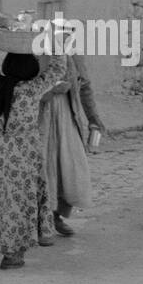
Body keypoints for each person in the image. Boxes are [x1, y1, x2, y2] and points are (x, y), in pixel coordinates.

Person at [0, 49, 66, 269]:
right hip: (24, 152)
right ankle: (12, 255)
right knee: (17, 201)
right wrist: (59, 48)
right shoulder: (31, 89)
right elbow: (57, 69)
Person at [38, 52, 106, 242]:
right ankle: (41, 220)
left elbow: (84, 85)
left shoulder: (73, 55)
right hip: (39, 115)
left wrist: (93, 119)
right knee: (44, 167)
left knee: (67, 166)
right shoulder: (33, 47)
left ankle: (56, 215)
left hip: (66, 115)